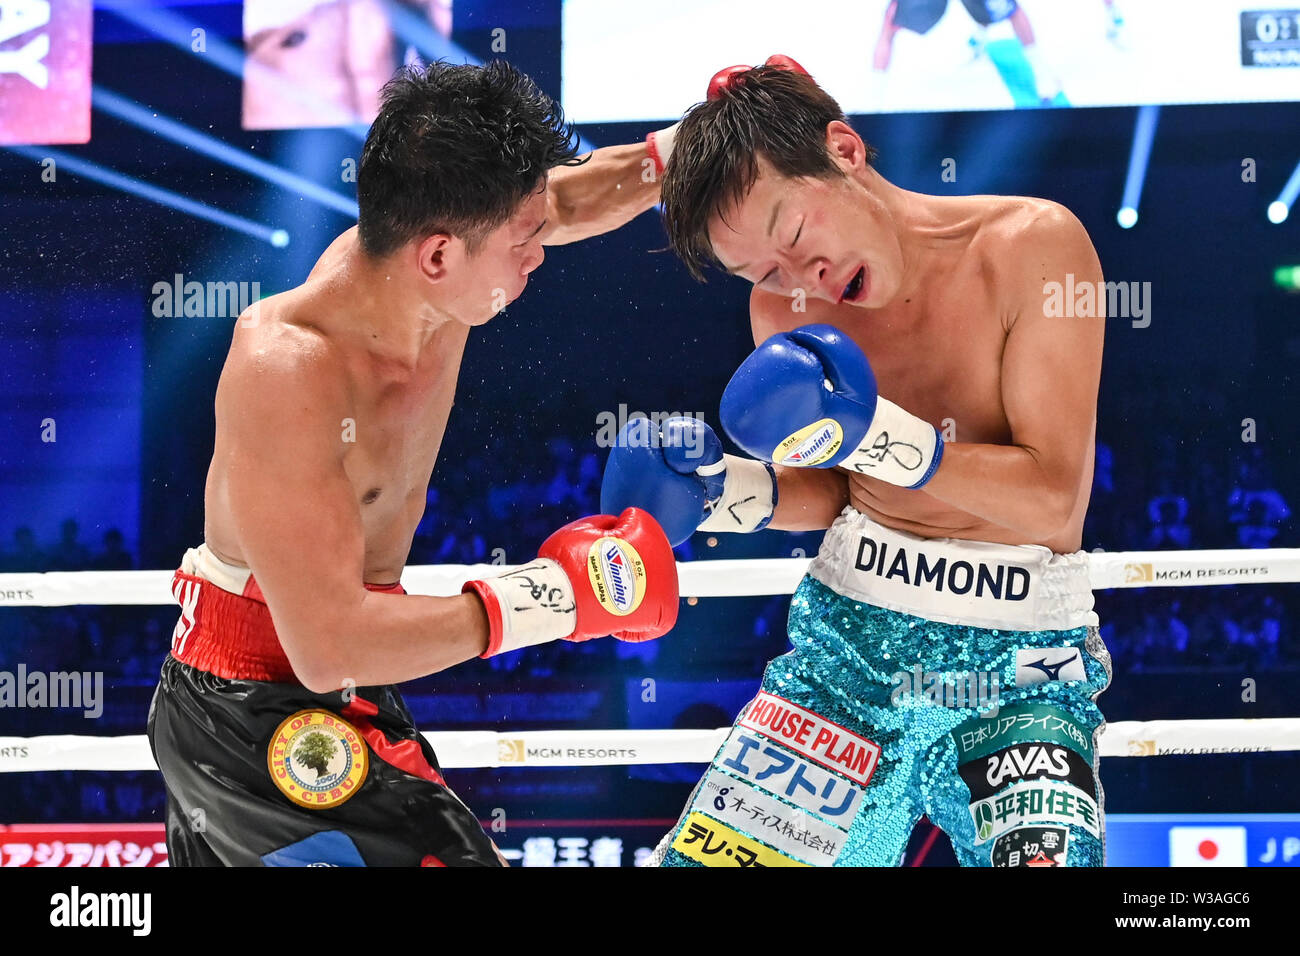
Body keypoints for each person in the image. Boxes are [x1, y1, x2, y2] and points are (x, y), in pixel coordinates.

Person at [148, 60, 681, 867]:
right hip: (252, 707)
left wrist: (680, 152)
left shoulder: (435, 273)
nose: (540, 254)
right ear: (438, 256)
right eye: (523, 242)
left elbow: (565, 198)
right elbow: (328, 642)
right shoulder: (289, 368)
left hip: (340, 676)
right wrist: (558, 598)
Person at [603, 59, 1108, 866]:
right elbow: (836, 488)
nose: (803, 280)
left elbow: (1052, 500)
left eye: (796, 238)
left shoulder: (1028, 248)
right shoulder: (781, 310)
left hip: (1018, 665)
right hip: (847, 652)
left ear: (843, 148)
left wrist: (877, 435)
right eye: (764, 271)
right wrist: (723, 495)